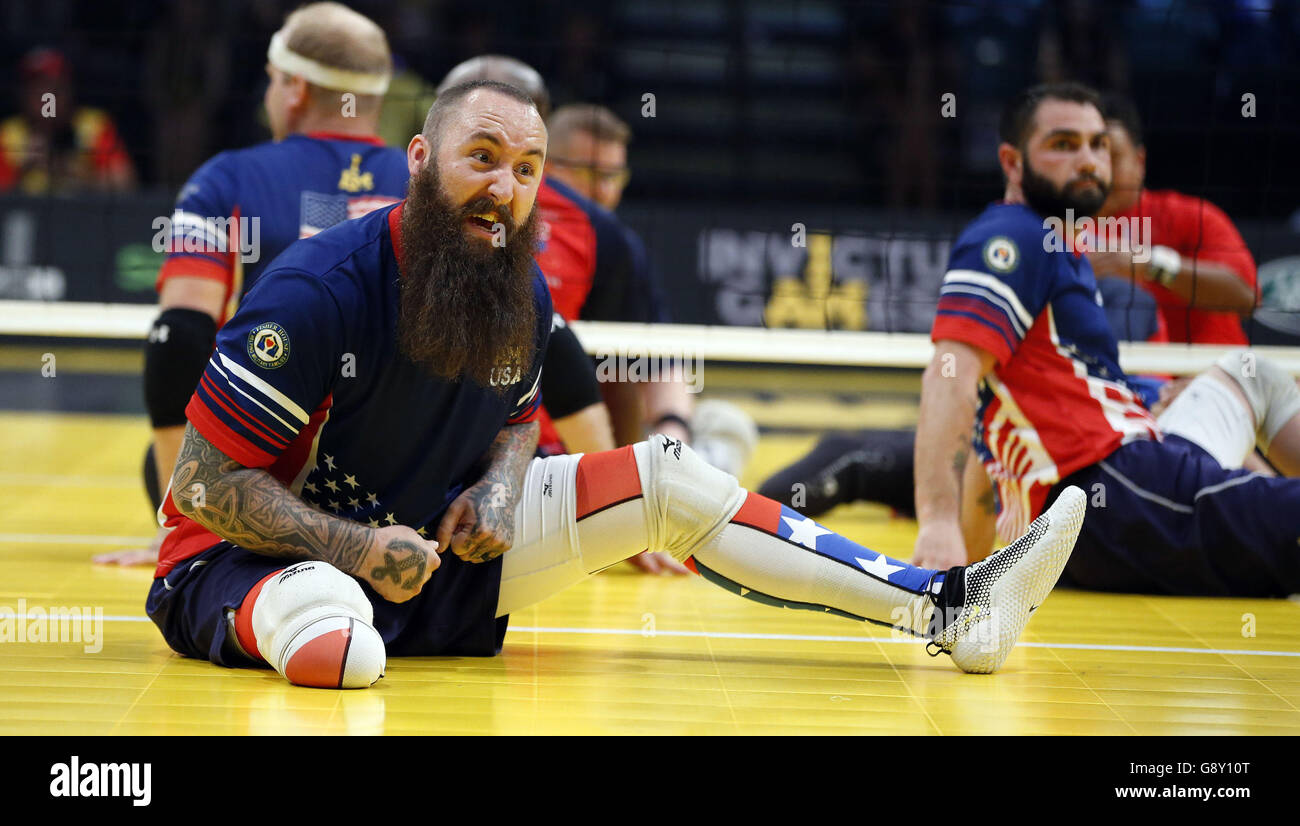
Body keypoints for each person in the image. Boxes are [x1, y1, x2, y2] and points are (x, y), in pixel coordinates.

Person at [146, 80, 1086, 689]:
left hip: (433, 549)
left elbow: (518, 419)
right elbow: (197, 488)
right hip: (249, 566)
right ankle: (338, 605)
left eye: (526, 169)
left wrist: (503, 486)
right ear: (421, 162)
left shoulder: (518, 283)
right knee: (344, 649)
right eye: (482, 158)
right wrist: (355, 548)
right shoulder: (317, 293)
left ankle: (952, 605)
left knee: (668, 476)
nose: (506, 188)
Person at [913, 82, 1300, 598]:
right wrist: (938, 530)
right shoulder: (1014, 236)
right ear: (1012, 161)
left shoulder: (1059, 244)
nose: (1089, 160)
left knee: (1257, 375)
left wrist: (974, 575)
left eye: (1097, 144)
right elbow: (949, 374)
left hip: (1133, 461)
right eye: (1064, 145)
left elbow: (990, 439)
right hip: (1117, 491)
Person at [94, 2, 409, 565]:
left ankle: (190, 524)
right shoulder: (427, 185)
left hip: (268, 471)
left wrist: (183, 512)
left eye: (270, 80)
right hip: (398, 473)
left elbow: (180, 332)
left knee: (174, 408)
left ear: (293, 87)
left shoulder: (228, 177)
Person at [1090, 93, 1258, 345]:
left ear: (1140, 161)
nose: (1100, 172)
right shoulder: (1053, 226)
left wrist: (1152, 264)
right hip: (1108, 377)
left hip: (1206, 374)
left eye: (1112, 157)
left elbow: (1246, 298)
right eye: (1090, 160)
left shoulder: (1191, 216)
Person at [0, 48, 136, 194]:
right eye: (39, 92)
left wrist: (66, 170)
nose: (47, 102)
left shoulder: (93, 126)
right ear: (23, 95)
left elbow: (125, 184)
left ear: (69, 91)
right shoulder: (7, 135)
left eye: (55, 91)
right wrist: (23, 169)